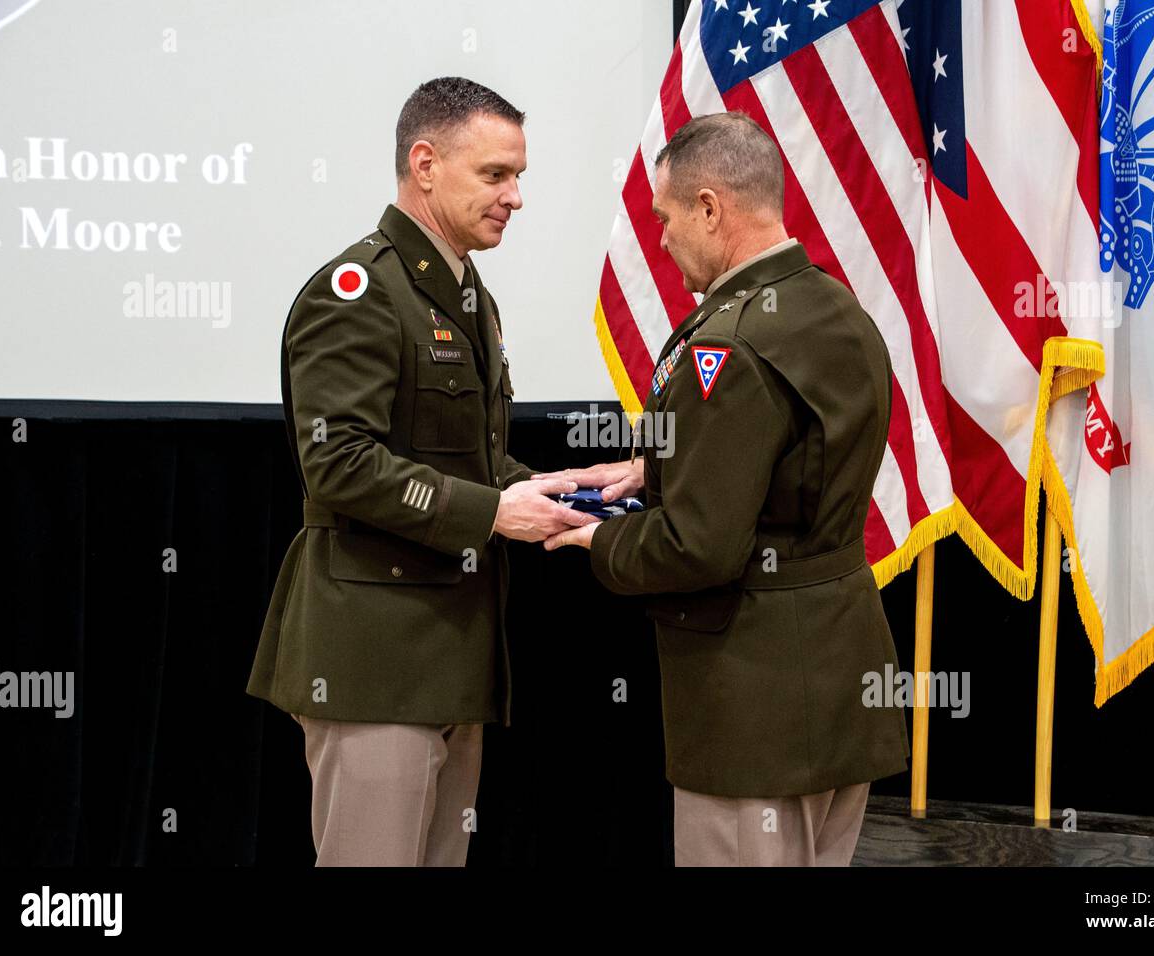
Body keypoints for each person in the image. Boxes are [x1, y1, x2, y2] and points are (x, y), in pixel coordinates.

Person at [541, 112, 909, 866]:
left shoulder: (729, 342)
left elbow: (699, 547)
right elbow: (797, 463)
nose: (663, 237)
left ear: (710, 208)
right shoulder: (840, 311)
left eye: (667, 217)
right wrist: (662, 468)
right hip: (842, 681)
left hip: (756, 708)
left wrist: (596, 536)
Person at [246, 76, 594, 866]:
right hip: (374, 661)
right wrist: (491, 513)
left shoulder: (466, 294)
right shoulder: (361, 291)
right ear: (425, 163)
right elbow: (338, 462)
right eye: (496, 175)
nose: (515, 197)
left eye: (519, 177)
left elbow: (458, 453)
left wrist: (545, 486)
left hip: (447, 654)